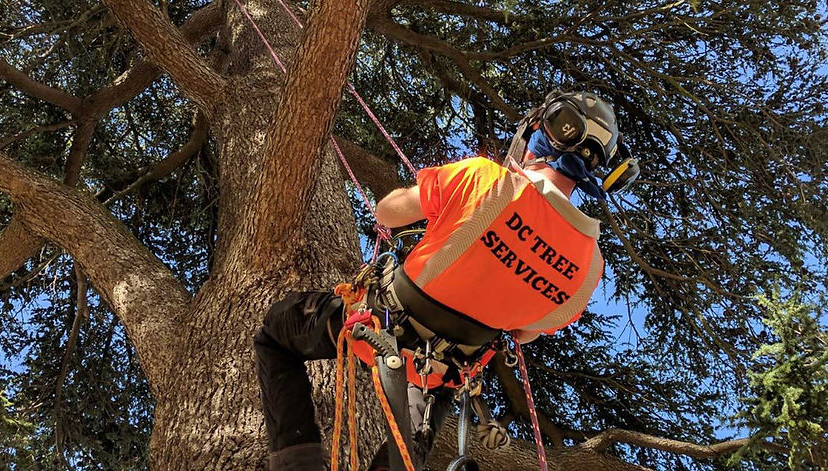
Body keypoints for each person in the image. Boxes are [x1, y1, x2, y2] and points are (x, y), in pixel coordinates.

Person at [253, 90, 639, 471]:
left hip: (377, 324)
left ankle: (295, 462)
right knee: (408, 453)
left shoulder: (486, 179)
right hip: (440, 373)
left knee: (275, 334)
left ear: (541, 131)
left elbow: (388, 213)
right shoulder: (589, 269)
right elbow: (525, 333)